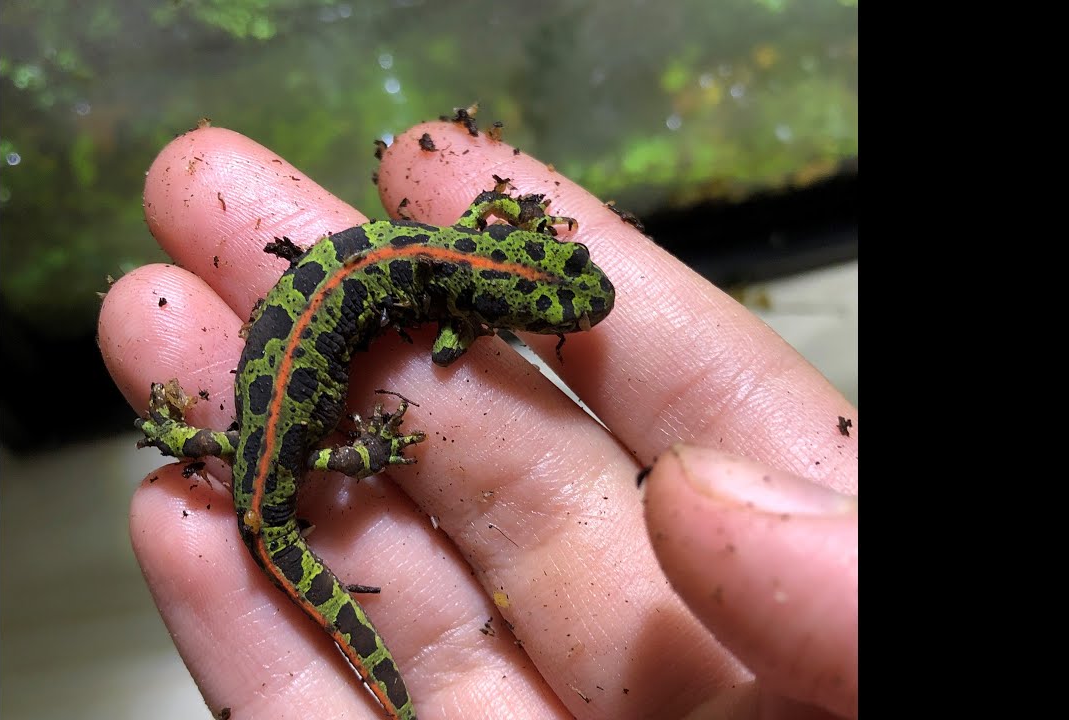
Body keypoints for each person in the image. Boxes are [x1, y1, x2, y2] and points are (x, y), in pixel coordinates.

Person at [97, 123, 858, 719]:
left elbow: (479, 249)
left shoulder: (470, 239)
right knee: (322, 461)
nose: (582, 307)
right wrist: (371, 449)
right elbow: (451, 343)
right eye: (541, 312)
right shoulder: (465, 289)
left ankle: (193, 438)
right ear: (492, 304)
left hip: (270, 422)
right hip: (296, 443)